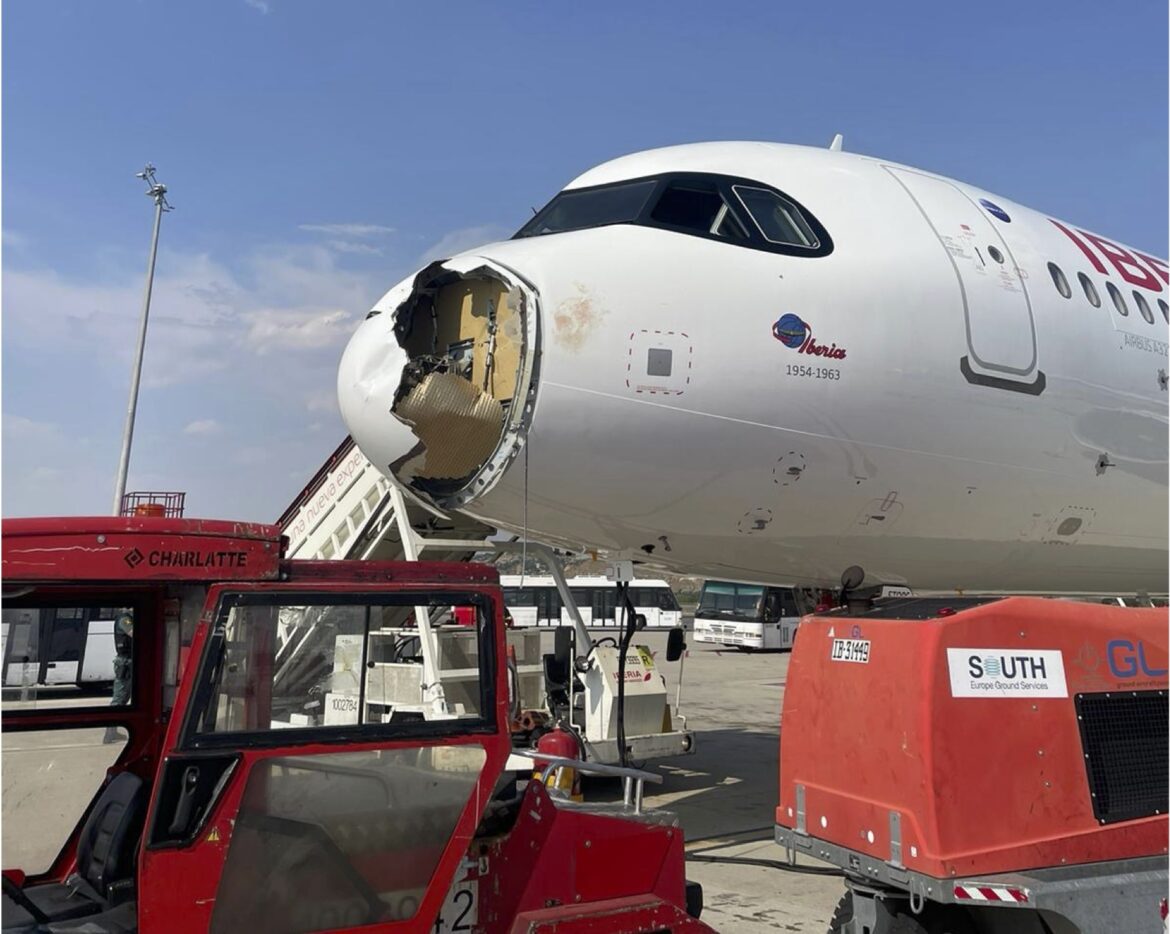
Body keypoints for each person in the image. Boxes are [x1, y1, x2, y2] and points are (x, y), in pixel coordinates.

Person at [103, 611, 133, 744]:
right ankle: (110, 734)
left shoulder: (127, 618)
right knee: (119, 699)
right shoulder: (124, 619)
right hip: (125, 663)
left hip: (129, 662)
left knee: (124, 699)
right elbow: (133, 633)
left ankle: (113, 732)